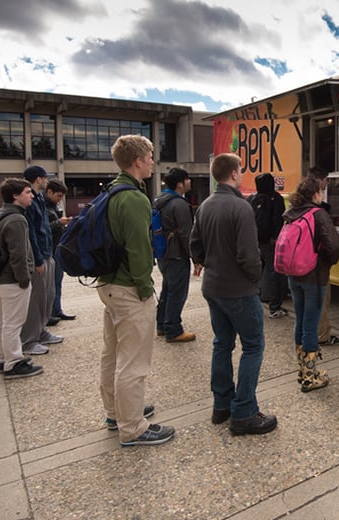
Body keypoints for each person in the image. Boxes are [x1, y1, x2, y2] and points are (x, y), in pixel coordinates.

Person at [190, 152, 277, 435]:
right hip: (239, 289)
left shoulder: (205, 205)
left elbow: (195, 244)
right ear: (234, 173)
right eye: (240, 169)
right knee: (253, 346)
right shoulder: (241, 207)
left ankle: (222, 405)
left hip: (213, 287)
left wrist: (205, 261)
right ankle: (244, 413)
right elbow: (249, 255)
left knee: (222, 344)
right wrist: (256, 279)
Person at [98, 134, 173, 447]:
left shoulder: (113, 190)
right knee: (134, 361)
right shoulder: (134, 198)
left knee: (113, 354)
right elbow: (140, 250)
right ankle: (133, 428)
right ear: (138, 160)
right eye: (150, 156)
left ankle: (117, 412)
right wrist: (146, 287)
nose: (153, 161)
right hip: (129, 287)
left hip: (109, 284)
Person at [284, 176, 339, 392]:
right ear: (315, 194)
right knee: (311, 324)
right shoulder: (319, 215)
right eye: (321, 191)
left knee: (300, 320)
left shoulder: (291, 213)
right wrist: (327, 261)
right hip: (314, 276)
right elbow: (333, 247)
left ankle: (303, 369)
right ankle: (310, 376)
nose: (323, 194)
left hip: (293, 275)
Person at [0, 178, 45, 379]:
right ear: (15, 196)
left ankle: (2, 358)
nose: (31, 195)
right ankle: (13, 362)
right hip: (12, 280)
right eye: (26, 192)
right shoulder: (16, 219)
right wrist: (24, 279)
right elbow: (19, 254)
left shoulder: (0, 213)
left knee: (0, 321)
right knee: (13, 322)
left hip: (1, 278)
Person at [20, 165, 61, 355]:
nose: (47, 181)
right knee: (36, 300)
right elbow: (32, 234)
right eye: (45, 178)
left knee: (47, 296)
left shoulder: (39, 200)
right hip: (40, 257)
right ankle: (29, 340)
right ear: (38, 179)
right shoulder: (29, 201)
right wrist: (37, 260)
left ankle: (41, 331)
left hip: (47, 253)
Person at [153, 167, 196, 342]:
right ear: (180, 184)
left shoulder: (160, 199)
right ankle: (173, 329)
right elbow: (187, 234)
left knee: (168, 290)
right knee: (177, 292)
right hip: (177, 253)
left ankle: (162, 325)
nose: (189, 182)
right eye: (187, 179)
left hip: (163, 252)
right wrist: (195, 257)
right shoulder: (179, 204)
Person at [308, 166, 339, 346]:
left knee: (306, 303)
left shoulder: (295, 209)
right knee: (322, 300)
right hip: (317, 264)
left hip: (300, 265)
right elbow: (332, 245)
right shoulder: (320, 213)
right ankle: (322, 335)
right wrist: (331, 259)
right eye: (326, 179)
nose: (327, 183)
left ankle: (306, 336)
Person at [248, 173, 288, 318]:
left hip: (255, 242)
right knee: (274, 273)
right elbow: (279, 219)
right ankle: (275, 307)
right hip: (270, 243)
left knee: (255, 273)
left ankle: (252, 304)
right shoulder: (276, 198)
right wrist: (274, 237)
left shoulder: (252, 198)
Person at [45, 178, 75, 322]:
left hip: (57, 248)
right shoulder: (42, 207)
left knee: (57, 281)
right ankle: (50, 313)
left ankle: (57, 310)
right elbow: (42, 229)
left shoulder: (52, 207)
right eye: (58, 196)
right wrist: (59, 222)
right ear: (49, 192)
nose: (60, 199)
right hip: (49, 249)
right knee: (51, 283)